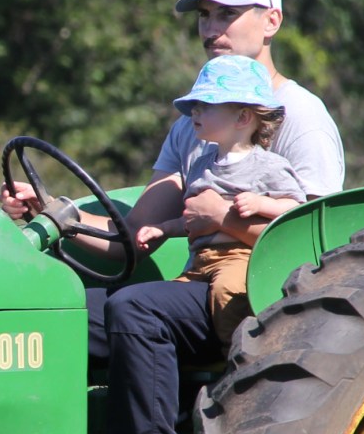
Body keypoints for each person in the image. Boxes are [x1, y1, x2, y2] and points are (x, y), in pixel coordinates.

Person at [0, 0, 344, 434]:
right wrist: (55, 211)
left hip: (262, 300)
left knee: (137, 310)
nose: (213, 29)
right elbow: (134, 231)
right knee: (57, 318)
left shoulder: (298, 118)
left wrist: (225, 220)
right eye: (204, 16)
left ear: (272, 21)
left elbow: (318, 242)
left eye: (229, 14)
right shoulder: (196, 123)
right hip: (195, 281)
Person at [130, 55, 306, 345]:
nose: (195, 113)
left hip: (239, 257)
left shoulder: (268, 166)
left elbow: (296, 210)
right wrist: (163, 229)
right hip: (199, 261)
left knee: (228, 293)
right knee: (170, 297)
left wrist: (262, 205)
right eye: (195, 106)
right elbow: (192, 218)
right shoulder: (202, 164)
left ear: (243, 117)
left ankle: (236, 357)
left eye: (206, 106)